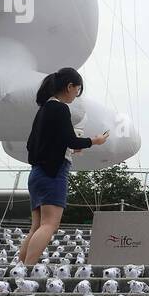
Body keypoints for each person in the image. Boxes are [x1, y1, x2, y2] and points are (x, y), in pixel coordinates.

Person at [18, 68, 108, 266]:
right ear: (69, 87)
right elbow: (71, 140)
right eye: (77, 89)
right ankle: (28, 268)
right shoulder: (59, 108)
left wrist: (64, 146)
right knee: (50, 224)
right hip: (53, 172)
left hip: (37, 173)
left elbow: (32, 145)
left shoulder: (43, 109)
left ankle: (20, 267)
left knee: (36, 226)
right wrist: (95, 141)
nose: (77, 94)